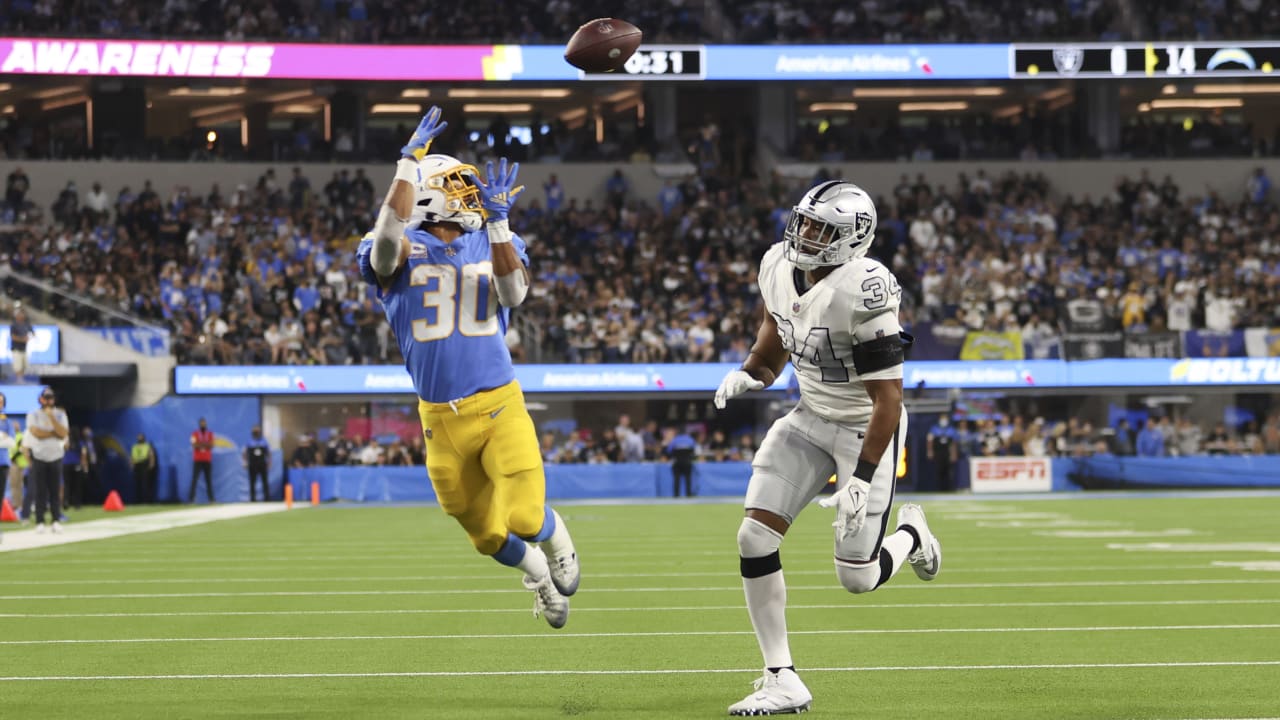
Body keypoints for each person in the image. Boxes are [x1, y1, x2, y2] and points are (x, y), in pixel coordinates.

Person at [713, 180, 941, 715]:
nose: (805, 234)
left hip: (866, 428)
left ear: (852, 240)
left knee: (857, 577)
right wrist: (753, 373)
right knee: (753, 537)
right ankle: (781, 677)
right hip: (810, 416)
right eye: (805, 222)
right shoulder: (776, 264)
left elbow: (887, 399)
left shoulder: (864, 290)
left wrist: (858, 479)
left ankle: (911, 534)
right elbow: (777, 323)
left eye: (821, 229)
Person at [356, 106, 579, 628]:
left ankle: (558, 542)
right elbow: (388, 239)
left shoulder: (493, 236)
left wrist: (500, 224)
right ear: (430, 193)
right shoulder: (395, 248)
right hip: (440, 419)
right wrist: (407, 164)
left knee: (525, 516)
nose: (473, 194)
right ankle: (539, 578)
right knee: (485, 537)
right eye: (459, 185)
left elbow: (515, 294)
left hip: (500, 402)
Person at [25, 387, 69, 533]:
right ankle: (40, 521)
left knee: (55, 490)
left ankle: (56, 520)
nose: (49, 401)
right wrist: (53, 433)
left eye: (51, 398)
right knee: (40, 491)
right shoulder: (33, 414)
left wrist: (51, 418)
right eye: (46, 398)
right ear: (41, 399)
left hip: (56, 455)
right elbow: (36, 433)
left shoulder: (60, 414)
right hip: (39, 455)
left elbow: (63, 433)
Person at [926, 414, 958, 492]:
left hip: (947, 452)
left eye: (945, 418)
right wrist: (930, 451)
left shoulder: (951, 429)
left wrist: (954, 454)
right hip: (938, 452)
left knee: (949, 472)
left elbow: (954, 443)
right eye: (942, 418)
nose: (943, 421)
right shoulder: (934, 429)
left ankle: (949, 488)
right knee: (938, 471)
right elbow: (930, 441)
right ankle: (938, 488)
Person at [665, 428, 698, 497]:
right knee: (688, 479)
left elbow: (669, 451)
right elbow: (695, 451)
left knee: (676, 479)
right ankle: (688, 494)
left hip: (677, 462)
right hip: (687, 462)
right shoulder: (690, 439)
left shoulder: (674, 440)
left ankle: (676, 495)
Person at [189, 417, 215, 502]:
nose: (203, 424)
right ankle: (191, 498)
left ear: (206, 423)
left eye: (204, 423)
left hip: (207, 459)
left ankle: (211, 499)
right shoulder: (194, 434)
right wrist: (205, 444)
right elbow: (193, 445)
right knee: (194, 479)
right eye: (201, 423)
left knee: (209, 480)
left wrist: (200, 444)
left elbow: (211, 445)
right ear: (199, 424)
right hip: (198, 459)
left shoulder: (210, 434)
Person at [0, 393, 18, 514]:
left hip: (2, 463)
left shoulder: (6, 421)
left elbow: (12, 442)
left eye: (1, 402)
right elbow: (6, 440)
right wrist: (3, 437)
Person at [244, 425, 271, 501]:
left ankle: (267, 498)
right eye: (255, 430)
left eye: (257, 430)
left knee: (265, 482)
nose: (256, 432)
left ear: (260, 431)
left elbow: (268, 452)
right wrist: (245, 462)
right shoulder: (249, 441)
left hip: (262, 463)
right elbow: (245, 453)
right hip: (252, 464)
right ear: (252, 431)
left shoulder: (264, 441)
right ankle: (253, 499)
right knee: (252, 482)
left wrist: (269, 462)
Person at [131, 433, 157, 503]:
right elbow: (133, 456)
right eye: (138, 437)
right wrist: (132, 465)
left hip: (144, 464)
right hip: (137, 465)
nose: (139, 438)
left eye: (141, 437)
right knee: (138, 484)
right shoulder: (135, 446)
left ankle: (147, 500)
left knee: (145, 484)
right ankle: (138, 500)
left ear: (144, 438)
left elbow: (151, 455)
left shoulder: (147, 445)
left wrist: (151, 463)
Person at [9, 307, 32, 382]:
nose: (22, 316)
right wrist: (23, 339)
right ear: (17, 315)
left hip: (24, 348)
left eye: (23, 314)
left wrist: (31, 337)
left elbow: (32, 332)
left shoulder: (26, 324)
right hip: (16, 348)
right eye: (20, 314)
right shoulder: (14, 325)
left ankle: (21, 379)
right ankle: (19, 380)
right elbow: (13, 337)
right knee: (18, 365)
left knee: (24, 365)